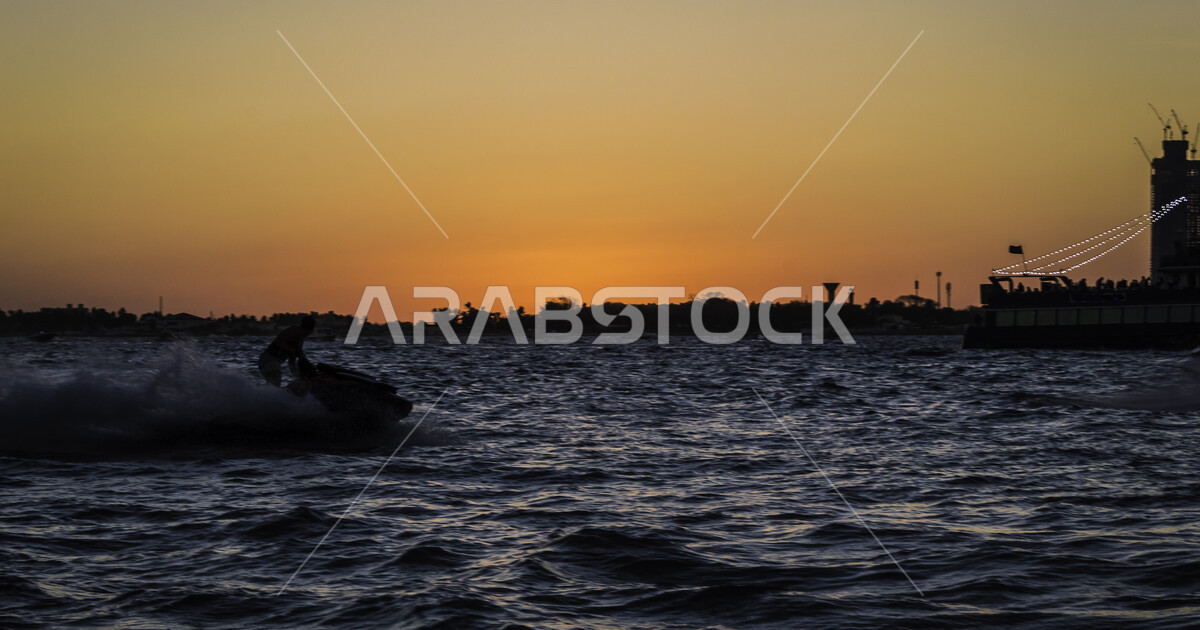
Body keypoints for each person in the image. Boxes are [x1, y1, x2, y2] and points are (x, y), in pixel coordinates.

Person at [258, 315, 315, 386]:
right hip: (268, 359)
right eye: (310, 330)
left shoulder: (300, 340)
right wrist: (292, 350)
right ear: (309, 329)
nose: (310, 333)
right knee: (275, 383)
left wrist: (298, 376)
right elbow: (279, 341)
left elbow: (291, 362)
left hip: (274, 363)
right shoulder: (294, 331)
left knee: (275, 383)